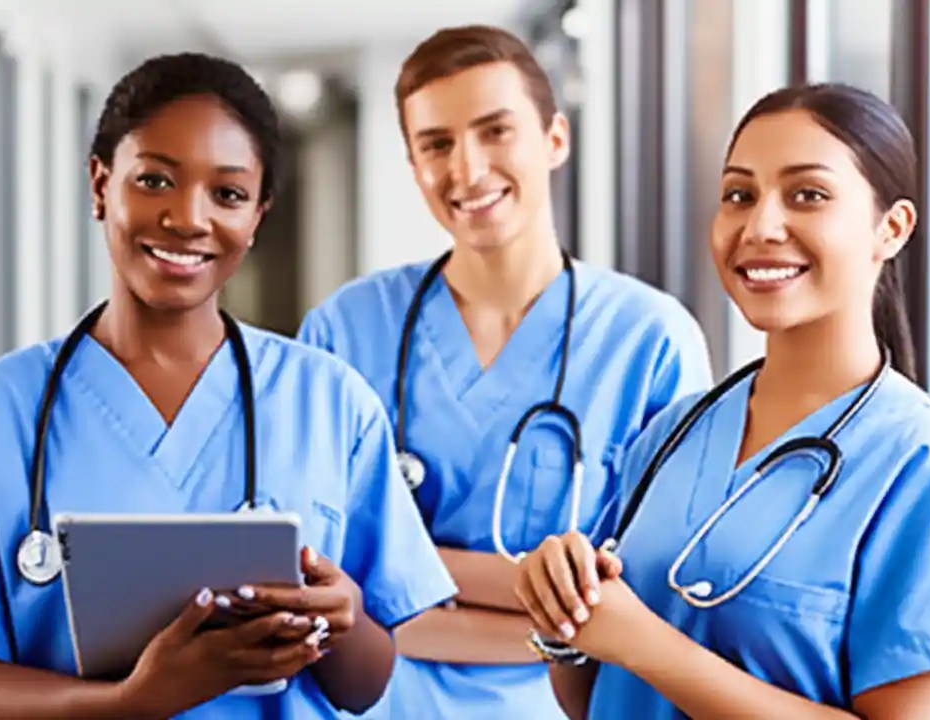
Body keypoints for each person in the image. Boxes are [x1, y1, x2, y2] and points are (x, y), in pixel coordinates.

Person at [0, 52, 456, 719]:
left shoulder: (333, 404)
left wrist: (344, 620)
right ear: (99, 184)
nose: (188, 218)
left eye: (227, 194)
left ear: (257, 215)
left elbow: (366, 686)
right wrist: (135, 701)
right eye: (154, 180)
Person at [514, 82, 930, 719]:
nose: (760, 225)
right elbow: (597, 698)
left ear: (892, 228)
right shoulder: (673, 433)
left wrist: (646, 643)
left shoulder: (929, 469)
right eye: (739, 195)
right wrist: (565, 610)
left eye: (808, 194)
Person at [297, 25, 712, 719]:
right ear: (413, 165)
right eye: (436, 144)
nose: (466, 168)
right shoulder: (346, 329)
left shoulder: (650, 340)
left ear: (555, 138)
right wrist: (552, 607)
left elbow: (655, 597)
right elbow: (320, 576)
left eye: (495, 131)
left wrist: (407, 581)